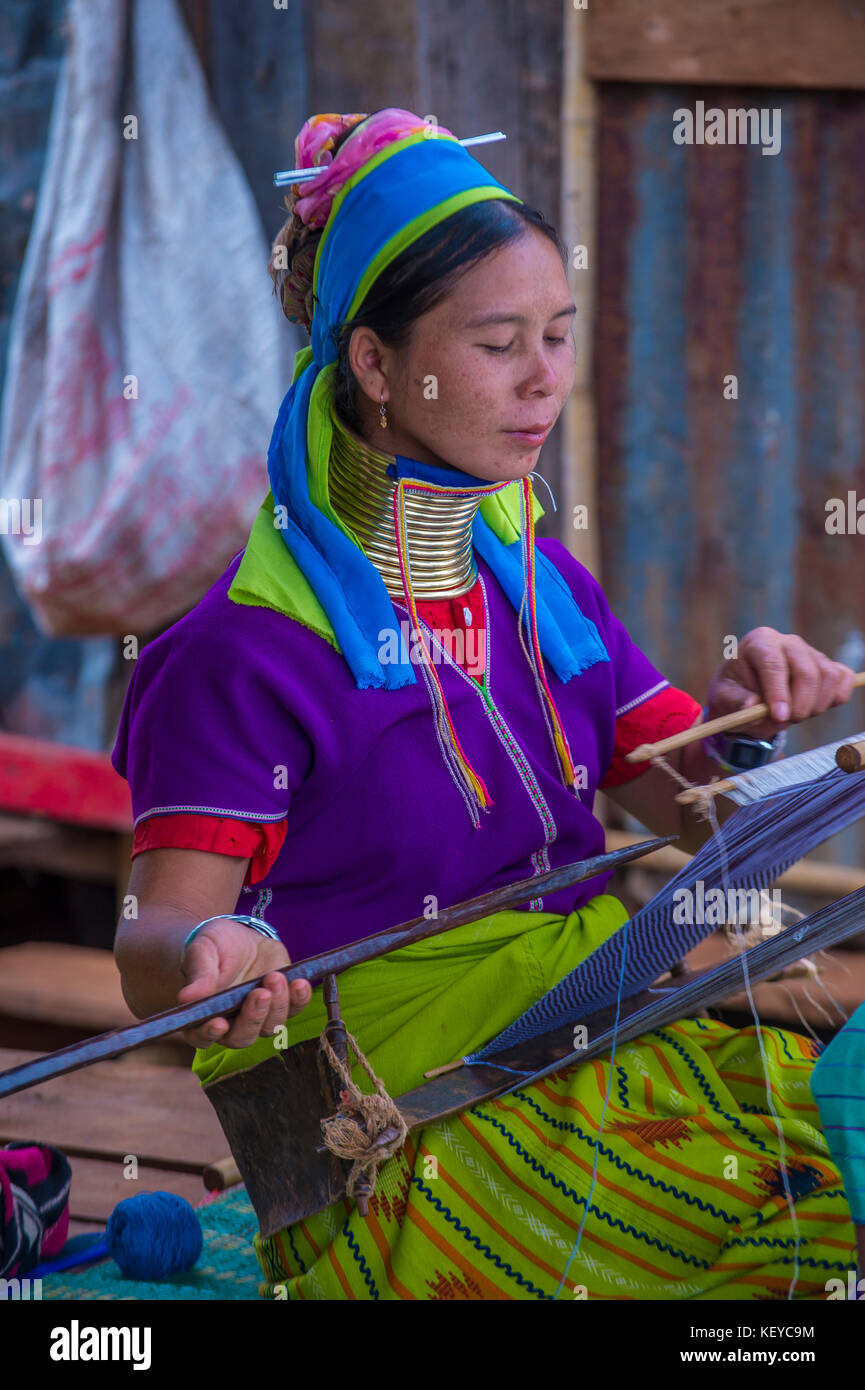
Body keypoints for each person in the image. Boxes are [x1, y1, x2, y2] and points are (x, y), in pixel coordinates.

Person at [113, 108, 859, 1300]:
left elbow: (693, 811)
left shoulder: (539, 590)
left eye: (557, 336)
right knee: (811, 1244)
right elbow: (150, 951)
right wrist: (211, 950)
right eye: (500, 341)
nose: (543, 380)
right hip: (400, 1139)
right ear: (372, 362)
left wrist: (751, 721)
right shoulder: (244, 656)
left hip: (597, 1044)